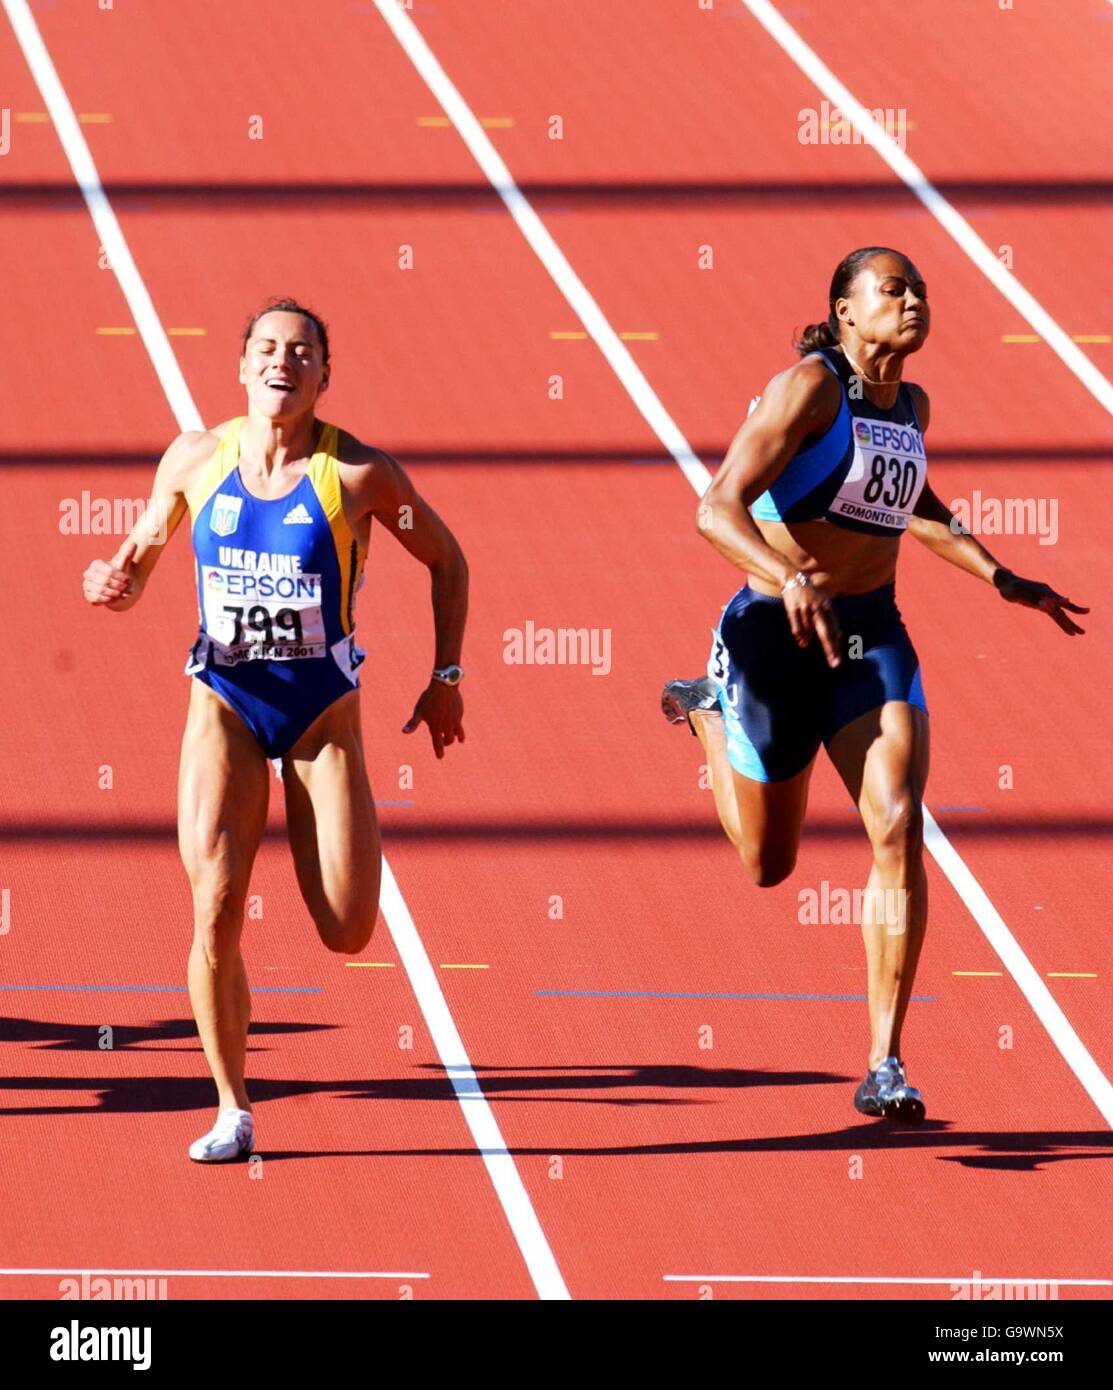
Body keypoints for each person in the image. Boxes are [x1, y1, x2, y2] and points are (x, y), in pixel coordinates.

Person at [663, 248, 1086, 1123]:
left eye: (918, 289)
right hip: (772, 638)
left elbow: (917, 505)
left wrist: (997, 574)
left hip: (869, 638)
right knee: (766, 866)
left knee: (895, 820)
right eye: (892, 288)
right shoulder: (807, 390)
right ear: (843, 311)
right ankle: (709, 714)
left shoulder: (912, 405)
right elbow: (715, 506)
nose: (912, 300)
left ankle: (885, 1062)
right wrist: (787, 580)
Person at [82, 298, 468, 1160]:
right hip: (222, 699)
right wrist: (114, 582)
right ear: (241, 366)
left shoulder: (362, 476)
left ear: (325, 375)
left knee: (348, 928)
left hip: (321, 718)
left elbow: (447, 558)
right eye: (265, 348)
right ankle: (231, 1105)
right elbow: (140, 557)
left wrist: (445, 677)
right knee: (215, 903)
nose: (281, 362)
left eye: (301, 352)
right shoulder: (193, 460)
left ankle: (332, 824)